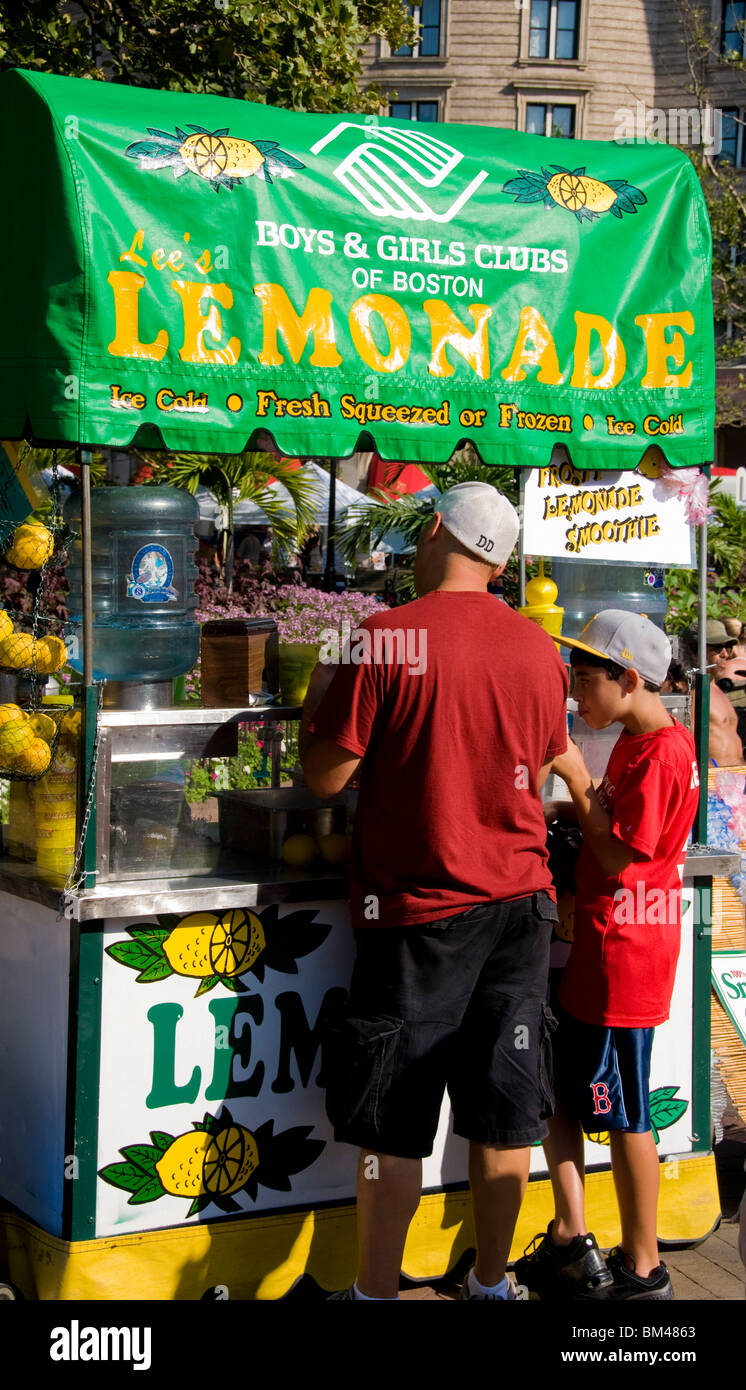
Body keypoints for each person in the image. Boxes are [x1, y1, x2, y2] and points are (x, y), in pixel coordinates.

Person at [299, 481, 569, 1301]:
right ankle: (491, 1283)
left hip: (420, 914)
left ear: (439, 534)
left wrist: (319, 692)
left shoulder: (381, 639)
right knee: (504, 1111)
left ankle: (376, 1290)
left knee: (394, 1121)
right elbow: (551, 761)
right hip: (522, 905)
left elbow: (325, 777)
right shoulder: (537, 651)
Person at [516, 611, 699, 1301]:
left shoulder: (662, 753)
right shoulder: (630, 739)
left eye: (585, 680)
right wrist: (575, 810)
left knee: (626, 1115)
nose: (576, 695)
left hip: (627, 954)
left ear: (629, 677)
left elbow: (622, 850)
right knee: (565, 1095)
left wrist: (573, 780)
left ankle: (644, 1264)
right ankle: (570, 1236)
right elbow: (613, 825)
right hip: (599, 943)